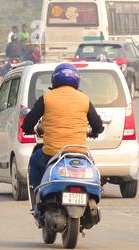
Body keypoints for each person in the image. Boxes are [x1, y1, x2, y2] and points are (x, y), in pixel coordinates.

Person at [20, 63, 104, 219]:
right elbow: (98, 126)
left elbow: (28, 123)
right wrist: (94, 132)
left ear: (54, 79)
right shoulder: (84, 99)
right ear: (76, 80)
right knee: (92, 166)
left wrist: (29, 129)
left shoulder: (46, 98)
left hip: (51, 154)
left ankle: (37, 201)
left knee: (35, 161)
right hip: (79, 152)